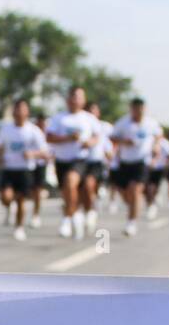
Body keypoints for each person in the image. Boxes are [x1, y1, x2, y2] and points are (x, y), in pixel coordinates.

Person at [46, 85, 100, 238]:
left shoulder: (89, 119)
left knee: (72, 183)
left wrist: (89, 142)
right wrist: (68, 138)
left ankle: (67, 219)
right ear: (67, 99)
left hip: (80, 160)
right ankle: (75, 213)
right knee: (68, 192)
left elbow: (96, 137)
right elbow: (49, 137)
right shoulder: (59, 118)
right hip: (61, 161)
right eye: (72, 96)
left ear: (83, 100)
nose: (75, 100)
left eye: (78, 97)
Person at [0, 98, 49, 241]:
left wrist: (32, 154)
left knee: (21, 200)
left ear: (27, 112)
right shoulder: (6, 128)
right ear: (13, 112)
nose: (19, 112)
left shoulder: (33, 130)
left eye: (22, 109)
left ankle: (19, 227)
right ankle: (9, 206)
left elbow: (44, 152)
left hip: (25, 169)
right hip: (9, 168)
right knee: (5, 197)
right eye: (17, 109)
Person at [111, 97, 161, 236]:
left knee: (135, 190)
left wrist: (156, 147)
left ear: (144, 109)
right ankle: (134, 206)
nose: (138, 111)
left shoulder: (151, 123)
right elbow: (113, 137)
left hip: (141, 162)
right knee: (126, 194)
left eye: (141, 109)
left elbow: (158, 136)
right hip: (125, 162)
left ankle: (131, 223)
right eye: (135, 109)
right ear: (131, 109)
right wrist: (124, 141)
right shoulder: (123, 123)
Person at [85, 101, 113, 230]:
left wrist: (110, 157)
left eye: (94, 110)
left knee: (90, 186)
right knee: (85, 190)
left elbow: (110, 144)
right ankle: (89, 209)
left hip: (97, 162)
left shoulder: (104, 127)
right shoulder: (81, 125)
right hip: (81, 161)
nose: (92, 113)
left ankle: (92, 209)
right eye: (89, 110)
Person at [30, 114, 51, 228]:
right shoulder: (32, 132)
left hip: (40, 166)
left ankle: (35, 214)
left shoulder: (49, 135)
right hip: (27, 166)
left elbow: (49, 153)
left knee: (37, 190)